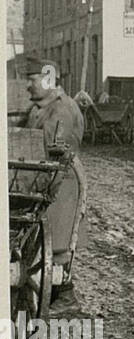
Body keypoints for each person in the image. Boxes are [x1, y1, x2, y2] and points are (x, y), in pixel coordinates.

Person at [20, 55, 86, 308]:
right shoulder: (41, 108)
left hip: (59, 183)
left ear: (48, 78)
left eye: (32, 79)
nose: (28, 85)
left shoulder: (62, 109)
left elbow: (52, 152)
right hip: (41, 179)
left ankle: (65, 295)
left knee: (57, 243)